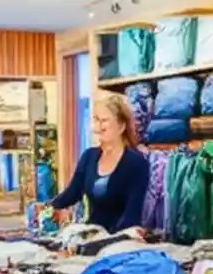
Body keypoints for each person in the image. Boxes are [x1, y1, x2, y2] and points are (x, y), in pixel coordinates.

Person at [51, 93, 150, 232]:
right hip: (92, 234)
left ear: (121, 126)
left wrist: (110, 240)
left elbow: (132, 214)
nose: (98, 126)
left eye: (104, 120)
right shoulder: (89, 156)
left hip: (121, 239)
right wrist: (49, 206)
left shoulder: (137, 163)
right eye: (96, 119)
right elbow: (72, 193)